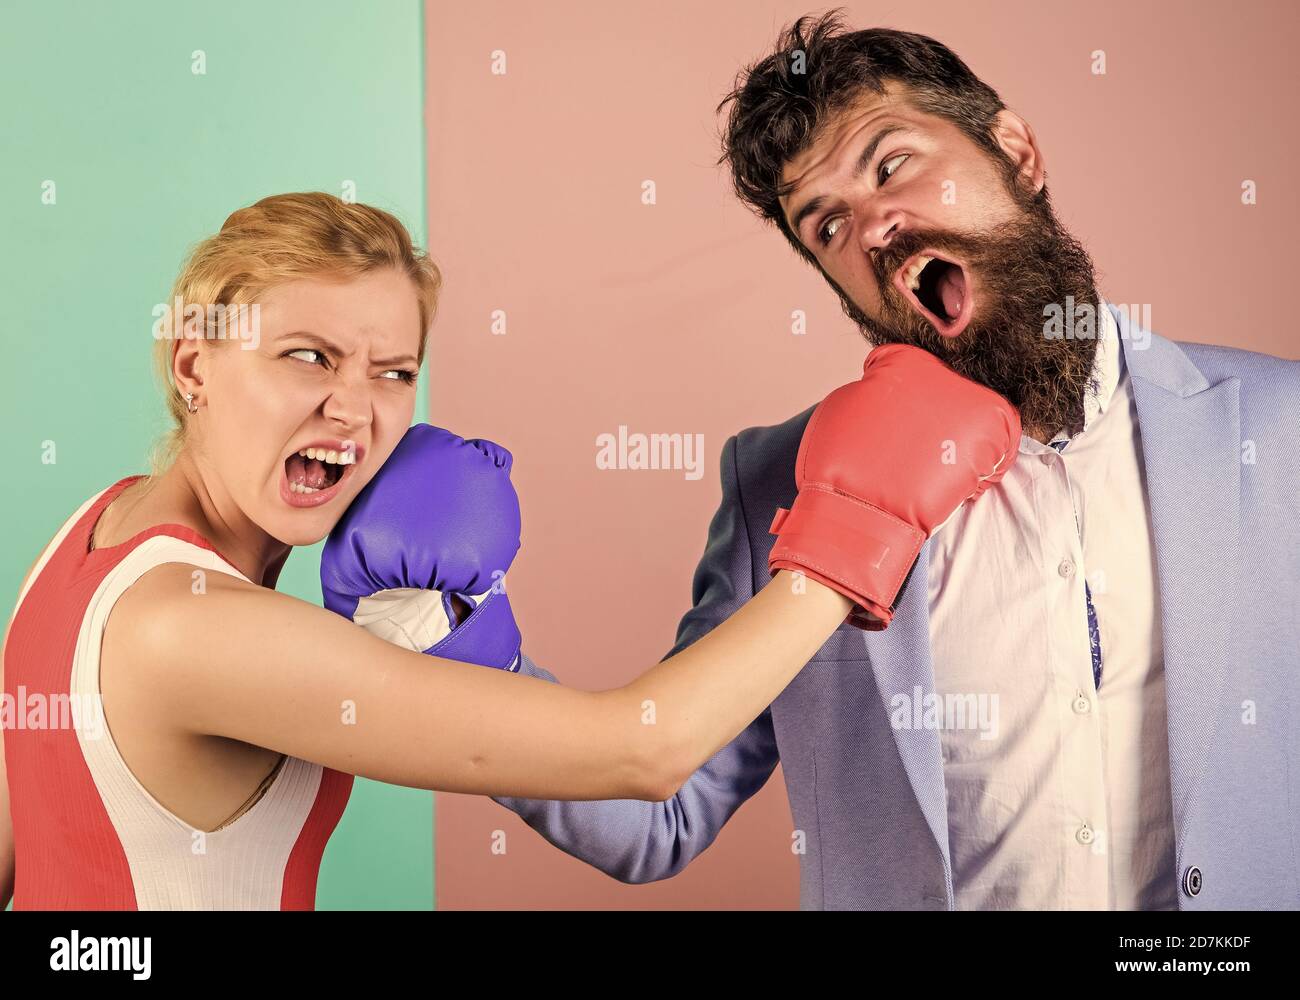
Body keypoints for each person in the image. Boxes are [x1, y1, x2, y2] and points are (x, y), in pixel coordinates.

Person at [0, 190, 1018, 910]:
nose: (352, 406)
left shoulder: (90, 532)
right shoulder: (203, 629)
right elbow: (645, 748)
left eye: (394, 370)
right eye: (305, 354)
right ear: (194, 365)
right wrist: (849, 539)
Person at [488, 14, 1300, 910]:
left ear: (1018, 152)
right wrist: (460, 646)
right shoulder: (778, 488)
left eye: (891, 165)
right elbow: (660, 813)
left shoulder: (1276, 426)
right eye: (827, 222)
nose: (875, 226)